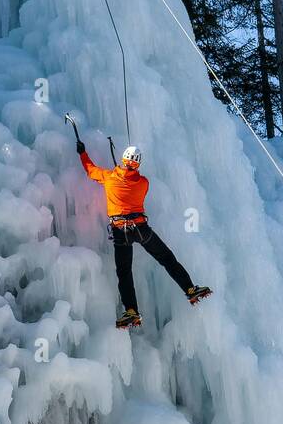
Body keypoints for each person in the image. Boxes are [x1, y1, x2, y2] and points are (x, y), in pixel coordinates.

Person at [76, 137, 211, 328]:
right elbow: (132, 181)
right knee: (167, 259)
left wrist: (82, 152)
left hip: (121, 231)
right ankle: (190, 289)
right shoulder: (144, 183)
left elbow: (90, 170)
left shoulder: (109, 177)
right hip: (141, 230)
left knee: (124, 272)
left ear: (123, 159)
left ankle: (131, 311)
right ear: (138, 163)